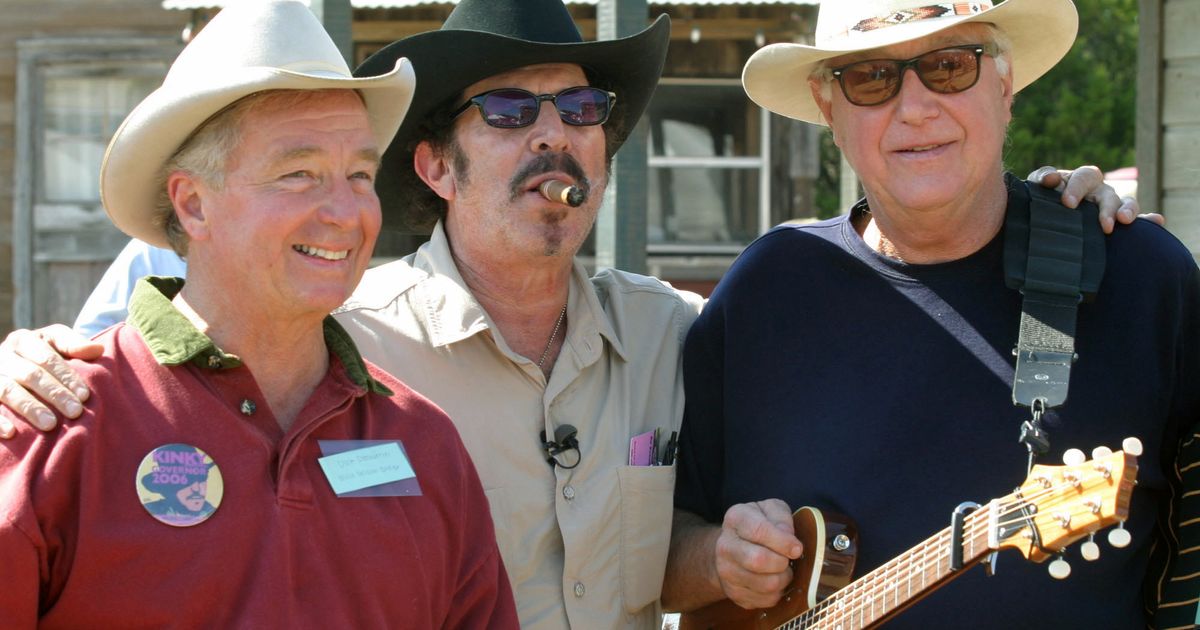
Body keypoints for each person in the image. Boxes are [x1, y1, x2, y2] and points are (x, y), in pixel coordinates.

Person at [0, 0, 1155, 627]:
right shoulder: (353, 343)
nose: (556, 139)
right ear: (439, 170)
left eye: (584, 109)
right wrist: (24, 365)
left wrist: (1055, 202)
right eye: (508, 111)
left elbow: (687, 555)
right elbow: (183, 318)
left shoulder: (680, 332)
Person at [664, 0, 1200, 627]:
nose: (914, 108)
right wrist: (721, 560)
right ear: (828, 109)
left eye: (949, 67)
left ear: (1003, 86)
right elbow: (662, 553)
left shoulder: (1139, 276)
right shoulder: (764, 290)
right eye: (871, 78)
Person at [0, 2, 517, 626]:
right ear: (192, 204)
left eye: (359, 174)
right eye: (298, 173)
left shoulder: (424, 442)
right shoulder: (52, 424)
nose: (345, 212)